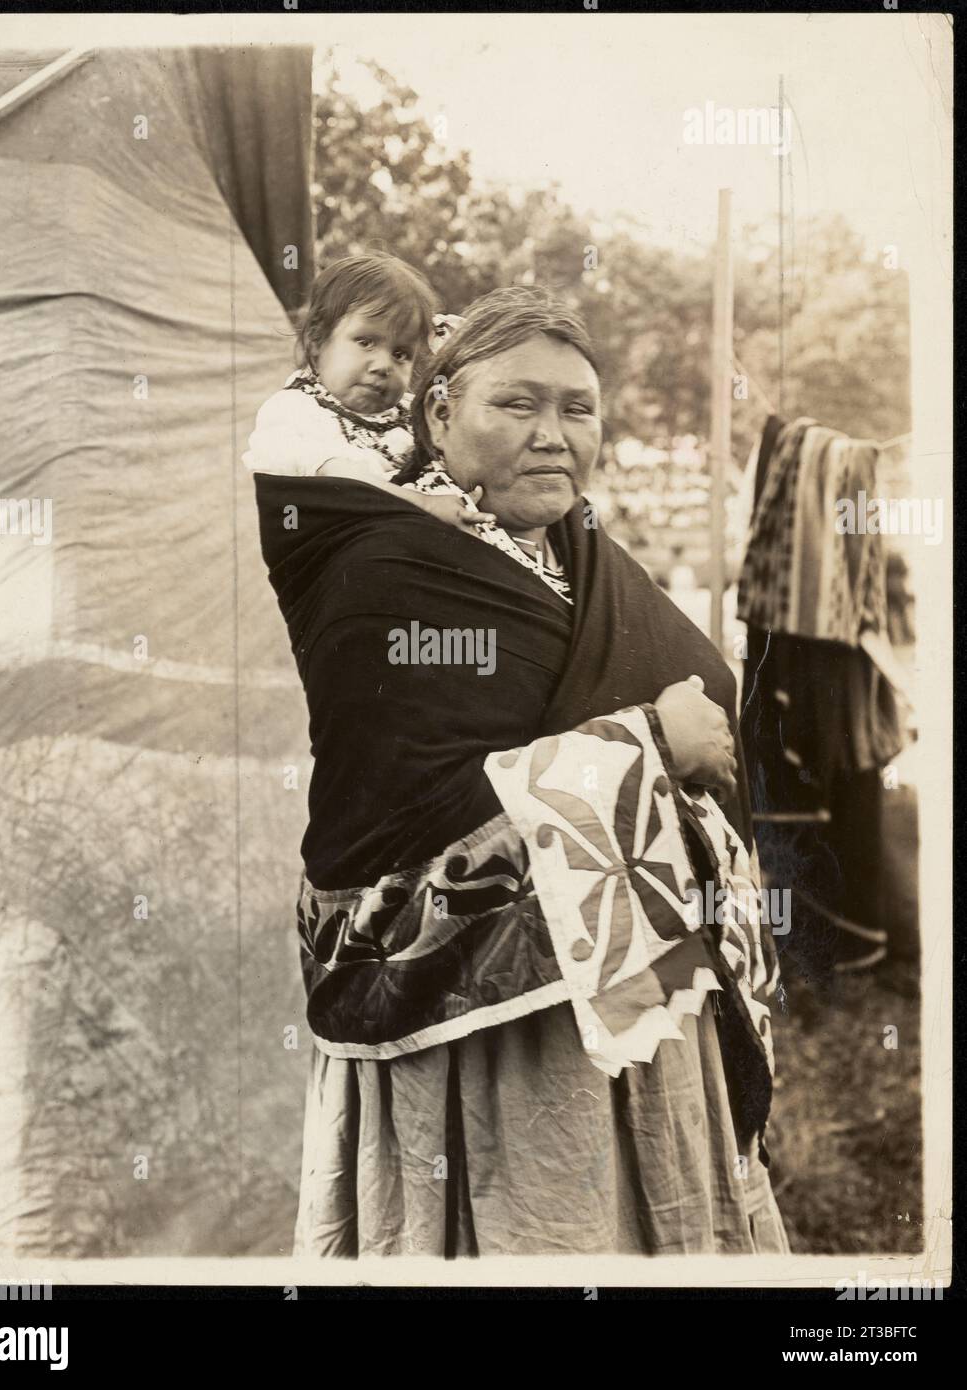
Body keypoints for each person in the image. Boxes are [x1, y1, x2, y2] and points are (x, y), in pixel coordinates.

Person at [253, 286, 788, 1257]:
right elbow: (418, 826)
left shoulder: (578, 551)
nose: (554, 436)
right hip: (488, 1047)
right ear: (441, 410)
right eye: (519, 404)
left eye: (577, 408)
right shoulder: (388, 572)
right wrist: (651, 744)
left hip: (643, 1003)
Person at [243, 252, 489, 531]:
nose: (384, 365)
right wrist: (425, 504)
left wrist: (461, 357)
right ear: (316, 341)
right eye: (365, 342)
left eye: (401, 353)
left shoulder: (408, 413)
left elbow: (463, 432)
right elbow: (342, 481)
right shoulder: (295, 410)